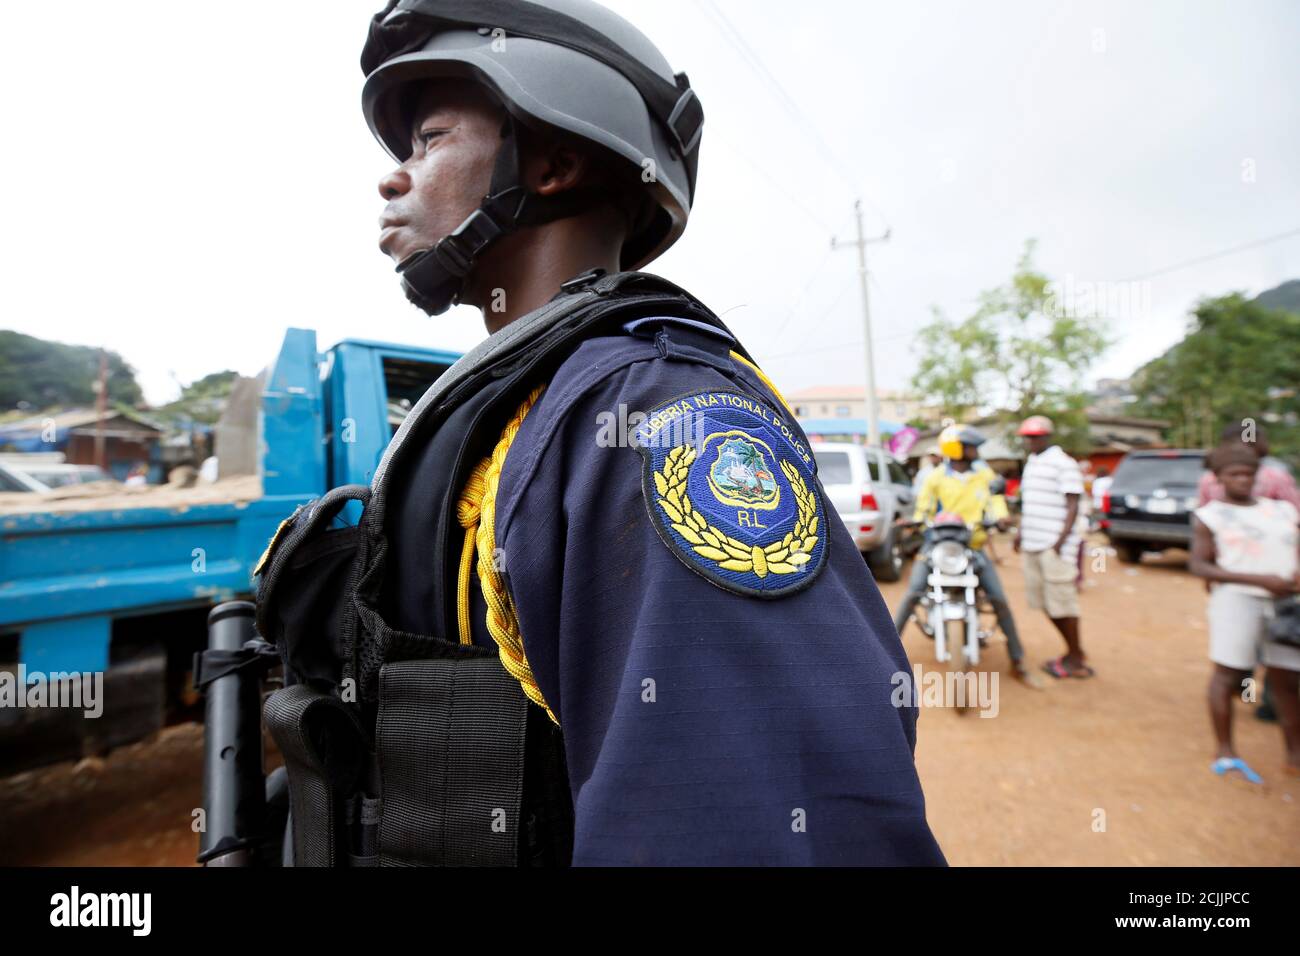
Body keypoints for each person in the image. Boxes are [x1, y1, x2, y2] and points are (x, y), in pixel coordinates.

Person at [255, 0, 943, 866]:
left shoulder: (657, 412)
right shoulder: (524, 406)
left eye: (428, 140)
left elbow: (758, 817)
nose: (394, 178)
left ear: (555, 162)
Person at [893, 424, 1042, 687]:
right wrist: (917, 521)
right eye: (971, 446)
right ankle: (886, 654)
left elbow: (995, 503)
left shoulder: (984, 476)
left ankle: (1018, 662)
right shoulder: (936, 477)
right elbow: (924, 508)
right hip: (937, 546)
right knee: (913, 592)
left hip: (971, 548)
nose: (976, 451)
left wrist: (1001, 518)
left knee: (998, 599)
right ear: (957, 449)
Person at [1189, 445, 1300, 782]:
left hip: (1285, 604)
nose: (1242, 480)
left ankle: (1294, 752)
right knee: (1227, 675)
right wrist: (1259, 579)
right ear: (1218, 478)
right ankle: (1225, 749)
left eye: (1248, 474)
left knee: (1287, 680)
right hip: (1237, 600)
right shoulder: (1210, 516)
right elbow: (1200, 565)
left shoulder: (1281, 510)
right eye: (1233, 474)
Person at [1015, 416, 1092, 678]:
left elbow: (1073, 504)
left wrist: (1059, 542)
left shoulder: (1064, 464)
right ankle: (1074, 652)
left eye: (1035, 436)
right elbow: (1031, 504)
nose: (1030, 441)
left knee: (1062, 603)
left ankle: (1076, 658)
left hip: (1054, 546)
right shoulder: (1033, 463)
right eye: (1027, 437)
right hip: (1033, 544)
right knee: (1045, 603)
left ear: (1047, 436)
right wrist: (1020, 533)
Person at [1198, 422, 1300, 511]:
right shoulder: (1276, 477)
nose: (1243, 480)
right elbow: (1296, 512)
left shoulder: (1209, 478)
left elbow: (1202, 516)